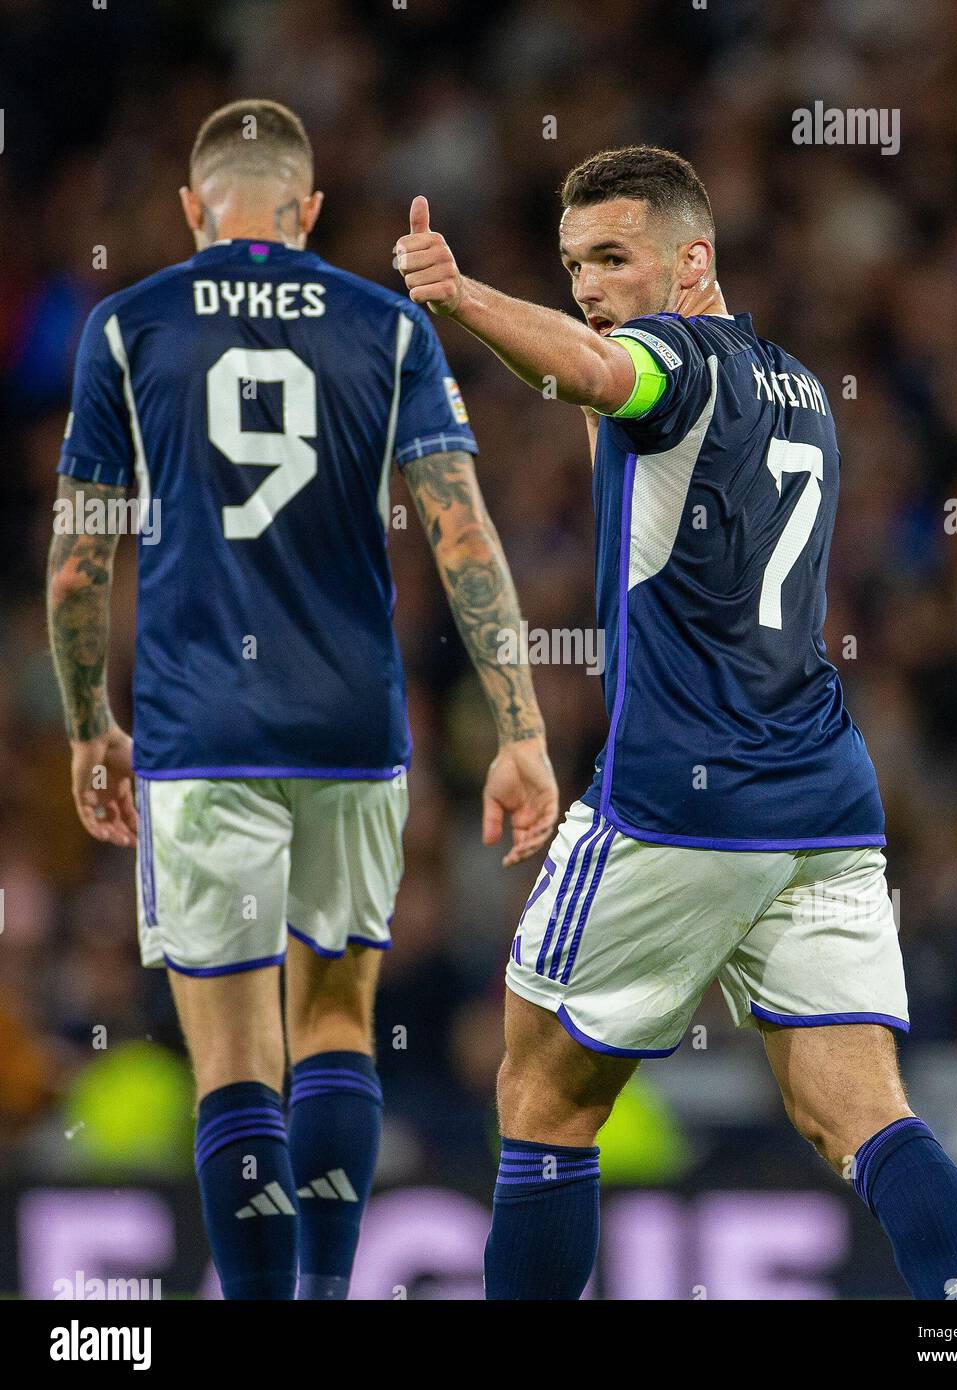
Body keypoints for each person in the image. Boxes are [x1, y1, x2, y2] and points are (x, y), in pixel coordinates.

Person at [394, 144, 957, 1301]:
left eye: (614, 257)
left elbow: (594, 365)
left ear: (691, 262)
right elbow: (604, 410)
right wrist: (577, 377)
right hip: (822, 798)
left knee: (540, 1097)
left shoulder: (676, 356)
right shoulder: (800, 386)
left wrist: (461, 296)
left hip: (681, 797)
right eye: (574, 263)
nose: (588, 285)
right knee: (860, 1115)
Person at [46, 98, 557, 1300]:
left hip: (199, 724)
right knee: (335, 1023)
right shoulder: (387, 327)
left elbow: (81, 557)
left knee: (233, 1056)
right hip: (351, 721)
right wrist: (521, 731)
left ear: (192, 209)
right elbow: (461, 534)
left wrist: (87, 726)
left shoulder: (129, 327)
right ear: (311, 210)